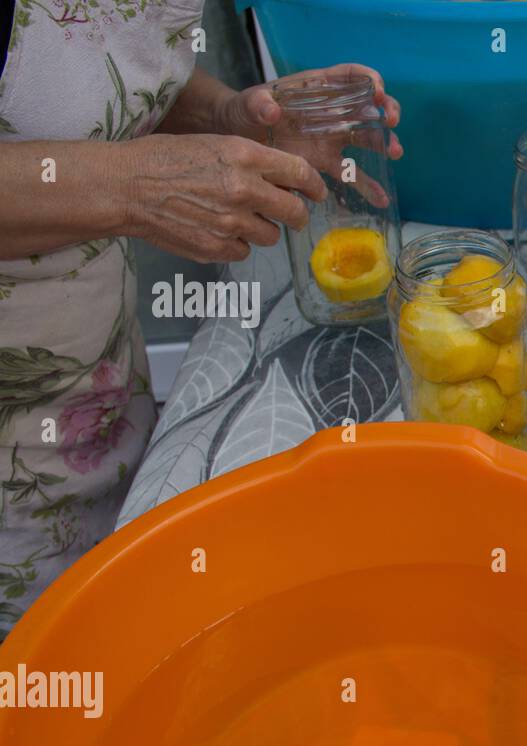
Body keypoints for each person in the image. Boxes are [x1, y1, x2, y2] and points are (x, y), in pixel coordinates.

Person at [0, 1, 400, 635]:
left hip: (92, 383)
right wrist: (130, 186)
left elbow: (93, 72)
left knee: (120, 621)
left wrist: (226, 115)